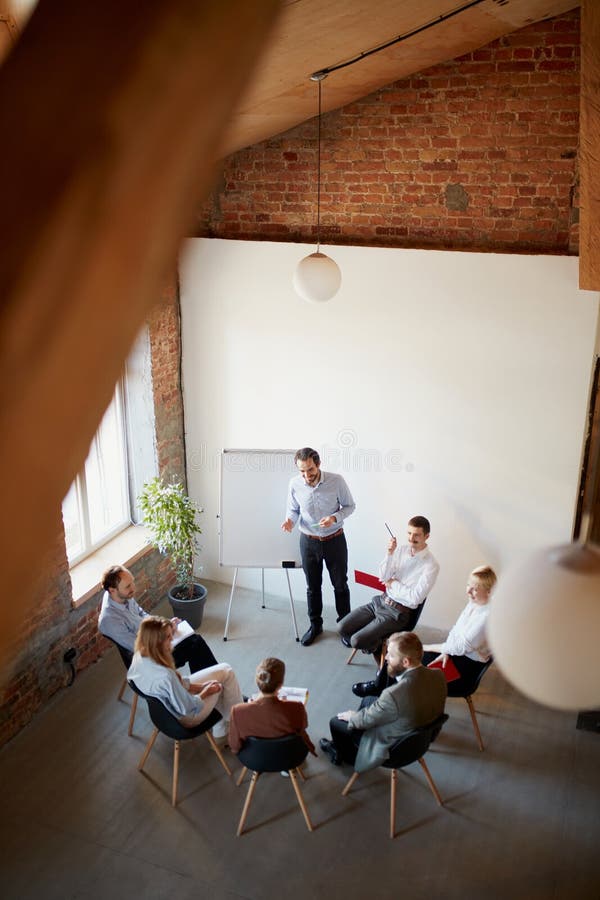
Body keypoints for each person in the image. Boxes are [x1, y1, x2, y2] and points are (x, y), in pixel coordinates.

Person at [352, 565, 497, 699]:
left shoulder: (487, 617)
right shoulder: (476, 602)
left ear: (489, 592)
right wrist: (446, 650)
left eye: (475, 589)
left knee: (404, 659)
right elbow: (456, 633)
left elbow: (460, 647)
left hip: (464, 668)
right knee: (399, 653)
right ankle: (382, 690)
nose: (468, 591)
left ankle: (386, 695)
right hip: (455, 654)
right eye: (468, 585)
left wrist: (426, 647)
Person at [319, 631, 446, 772]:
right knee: (368, 700)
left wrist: (353, 716)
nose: (386, 658)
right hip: (421, 738)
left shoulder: (393, 694)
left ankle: (344, 754)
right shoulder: (438, 675)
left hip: (396, 746)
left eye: (391, 655)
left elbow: (365, 720)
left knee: (337, 722)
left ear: (405, 662)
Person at [281, 447, 356, 646]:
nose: (306, 476)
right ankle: (316, 626)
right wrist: (289, 520)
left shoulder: (336, 481)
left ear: (318, 464)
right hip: (308, 542)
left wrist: (334, 517)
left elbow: (350, 506)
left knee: (340, 585)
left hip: (335, 540)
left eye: (310, 470)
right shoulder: (294, 484)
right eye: (302, 471)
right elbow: (293, 510)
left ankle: (344, 627)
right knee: (313, 587)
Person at [127, 616, 243, 738]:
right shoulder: (165, 676)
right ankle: (236, 725)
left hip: (165, 713)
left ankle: (225, 725)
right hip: (186, 718)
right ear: (156, 643)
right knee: (222, 683)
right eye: (168, 637)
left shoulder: (139, 655)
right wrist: (206, 691)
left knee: (224, 672)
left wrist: (201, 686)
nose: (172, 639)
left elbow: (178, 685)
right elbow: (189, 708)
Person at [338, 516, 439, 655]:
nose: (411, 538)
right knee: (341, 627)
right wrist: (390, 553)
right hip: (380, 601)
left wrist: (393, 583)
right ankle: (371, 643)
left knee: (356, 641)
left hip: (397, 613)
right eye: (409, 533)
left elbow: (415, 598)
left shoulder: (431, 565)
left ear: (427, 536)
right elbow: (383, 577)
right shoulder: (402, 550)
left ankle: (375, 644)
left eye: (416, 535)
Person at [98, 564, 218, 672]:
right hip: (148, 658)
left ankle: (210, 683)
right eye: (128, 586)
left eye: (132, 582)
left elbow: (142, 614)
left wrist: (165, 626)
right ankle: (210, 684)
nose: (133, 588)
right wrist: (164, 636)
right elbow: (139, 648)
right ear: (112, 590)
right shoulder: (109, 620)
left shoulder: (122, 596)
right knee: (195, 645)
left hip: (153, 638)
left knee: (194, 639)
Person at [228, 657, 316, 756]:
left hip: (255, 757)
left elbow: (234, 745)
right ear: (280, 685)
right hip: (289, 756)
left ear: (256, 680)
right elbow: (302, 728)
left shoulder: (238, 711)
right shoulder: (296, 708)